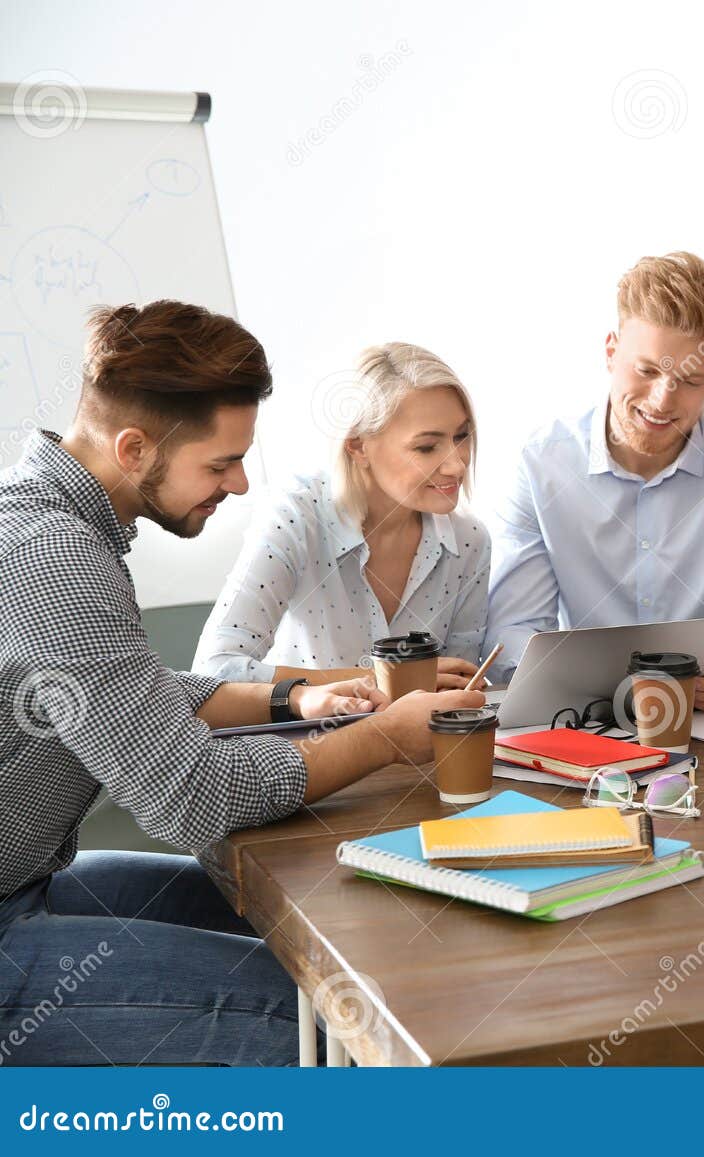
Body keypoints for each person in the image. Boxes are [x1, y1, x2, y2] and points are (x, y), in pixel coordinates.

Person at [0, 302, 482, 1066]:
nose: (239, 481)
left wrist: (296, 697)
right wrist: (385, 736)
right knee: (339, 1020)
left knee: (312, 934)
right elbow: (193, 796)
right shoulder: (54, 558)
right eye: (220, 463)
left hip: (27, 883)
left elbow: (133, 690)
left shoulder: (59, 523)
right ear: (133, 448)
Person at [484, 251, 704, 710]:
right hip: (588, 717)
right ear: (610, 351)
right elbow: (513, 635)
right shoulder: (541, 464)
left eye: (690, 380)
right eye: (646, 370)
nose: (663, 401)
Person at [194, 342, 490, 689]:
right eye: (426, 447)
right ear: (359, 446)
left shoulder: (469, 540)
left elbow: (457, 688)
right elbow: (216, 671)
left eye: (462, 436)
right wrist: (383, 680)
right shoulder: (296, 517)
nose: (457, 464)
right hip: (304, 742)